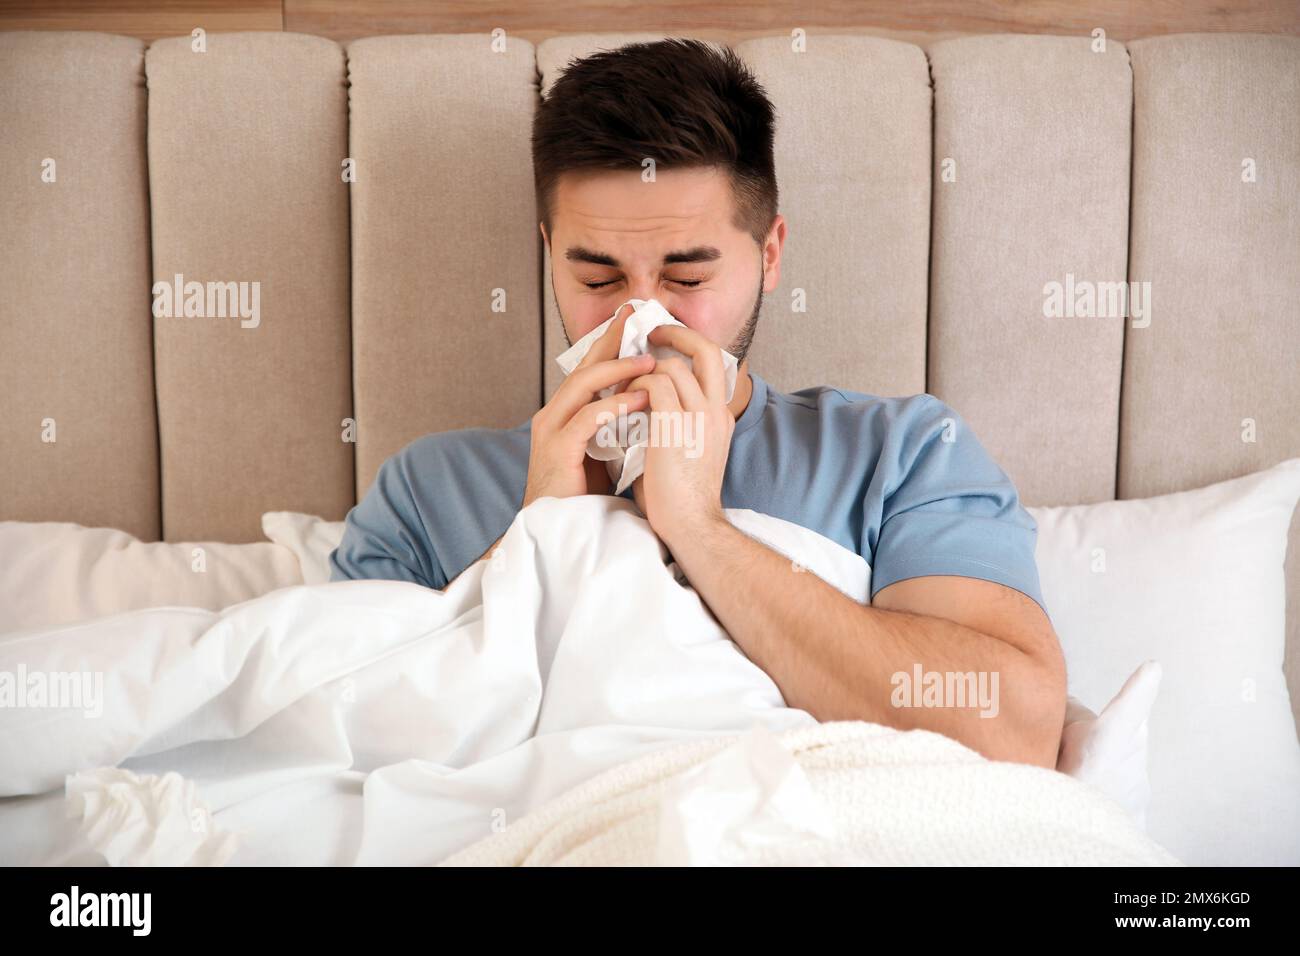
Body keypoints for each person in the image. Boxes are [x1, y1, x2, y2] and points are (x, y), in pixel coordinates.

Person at [330, 38, 1067, 768]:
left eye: (687, 277)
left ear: (770, 256)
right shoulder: (426, 491)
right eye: (596, 280)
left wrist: (701, 531)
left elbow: (1015, 733)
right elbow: (327, 745)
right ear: (549, 253)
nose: (640, 319)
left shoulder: (901, 453)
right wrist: (537, 540)